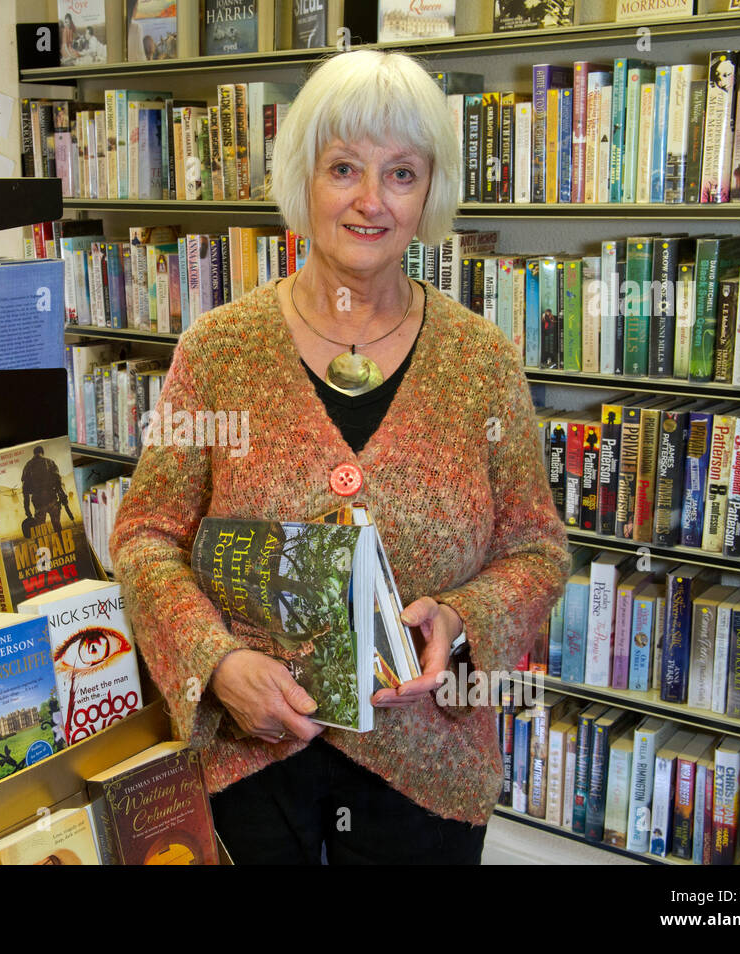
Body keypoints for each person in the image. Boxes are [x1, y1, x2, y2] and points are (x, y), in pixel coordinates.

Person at [109, 50, 570, 865]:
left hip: (425, 762)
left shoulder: (481, 361)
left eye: (400, 173)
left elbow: (536, 549)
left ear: (430, 191)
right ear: (303, 179)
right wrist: (219, 666)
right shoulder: (218, 350)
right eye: (344, 168)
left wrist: (463, 619)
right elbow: (147, 533)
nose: (370, 200)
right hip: (248, 764)